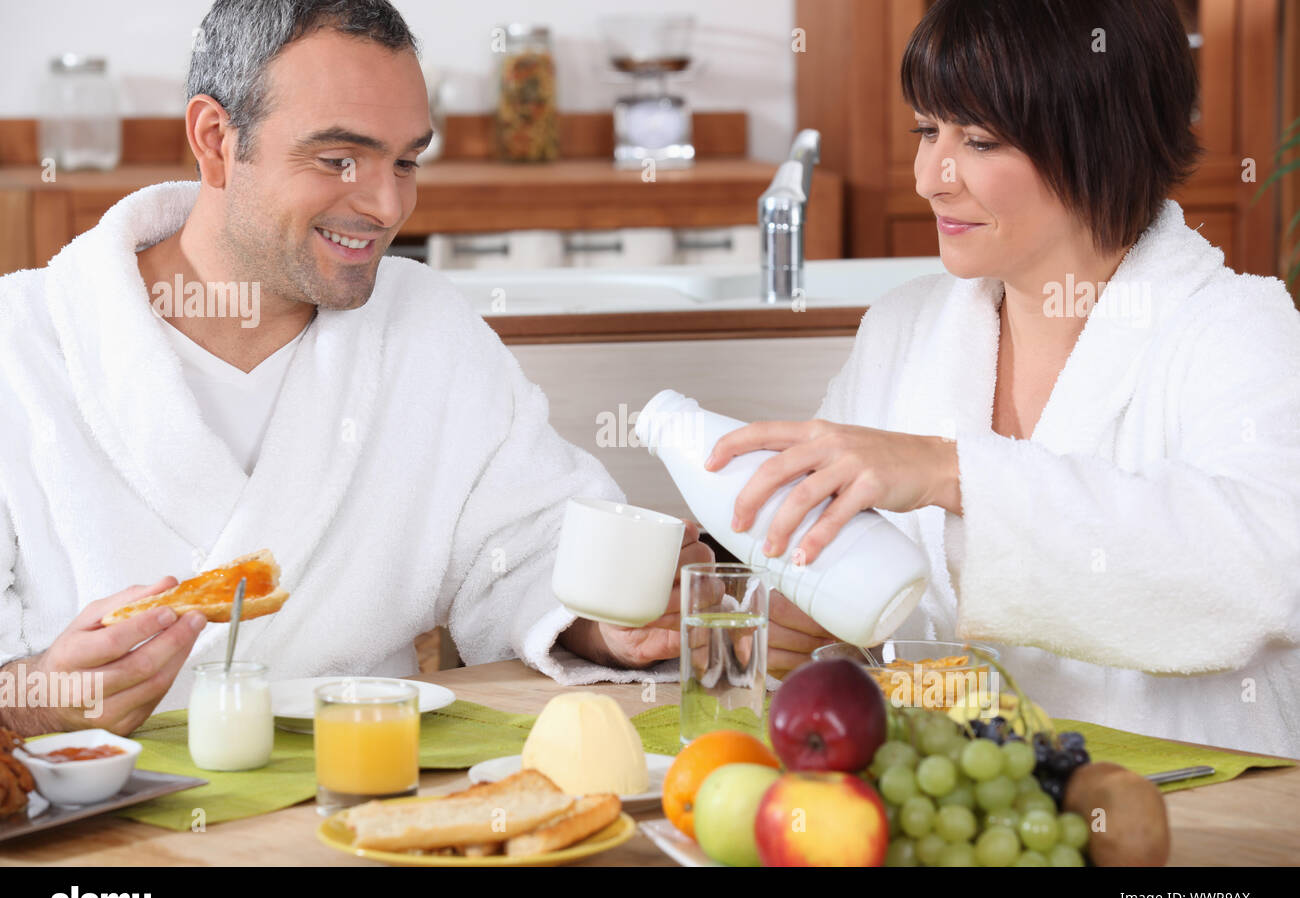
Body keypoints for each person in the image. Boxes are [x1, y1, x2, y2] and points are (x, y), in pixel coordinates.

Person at [0, 0, 828, 736]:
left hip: (368, 804)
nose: (387, 207)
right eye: (338, 160)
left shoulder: (428, 328)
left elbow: (526, 544)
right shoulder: (22, 345)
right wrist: (37, 697)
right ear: (217, 141)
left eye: (405, 161)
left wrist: (604, 621)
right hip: (92, 825)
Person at [706, 0, 1300, 757]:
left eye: (979, 140)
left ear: (1100, 137)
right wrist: (791, 621)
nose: (929, 178)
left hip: (1193, 822)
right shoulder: (904, 332)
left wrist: (953, 475)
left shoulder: (1236, 331)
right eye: (927, 131)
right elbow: (836, 604)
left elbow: (1262, 575)